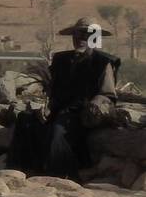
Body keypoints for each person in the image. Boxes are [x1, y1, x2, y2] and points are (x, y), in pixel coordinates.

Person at [10, 17, 120, 179]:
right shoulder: (61, 60)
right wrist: (46, 107)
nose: (80, 40)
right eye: (77, 35)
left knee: (59, 131)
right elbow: (54, 90)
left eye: (86, 36)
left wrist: (94, 105)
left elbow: (107, 94)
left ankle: (60, 176)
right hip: (58, 108)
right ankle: (20, 170)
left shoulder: (103, 62)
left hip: (83, 113)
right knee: (25, 119)